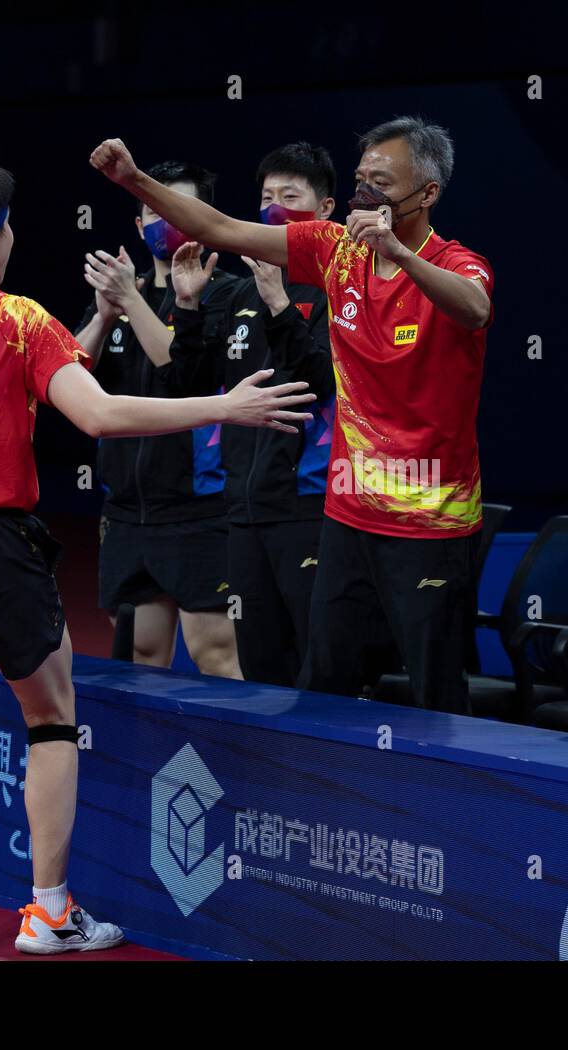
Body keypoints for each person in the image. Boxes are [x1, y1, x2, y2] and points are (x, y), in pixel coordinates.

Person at [0, 151, 313, 951]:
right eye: (6, 224)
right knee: (49, 717)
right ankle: (49, 912)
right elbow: (102, 416)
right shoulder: (15, 318)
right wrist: (229, 403)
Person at [91, 117, 493, 714]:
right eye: (361, 179)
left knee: (435, 687)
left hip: (431, 518)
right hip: (348, 512)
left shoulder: (460, 264)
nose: (366, 194)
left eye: (381, 182)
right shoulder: (333, 249)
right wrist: (133, 180)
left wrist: (399, 254)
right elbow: (221, 227)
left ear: (427, 193)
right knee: (323, 676)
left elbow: (475, 310)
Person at [164, 142, 337, 686]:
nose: (275, 209)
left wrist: (281, 303)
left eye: (291, 196)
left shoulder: (340, 291)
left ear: (326, 210)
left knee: (318, 660)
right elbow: (189, 389)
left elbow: (319, 384)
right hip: (241, 509)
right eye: (267, 198)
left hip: (308, 506)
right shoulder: (235, 294)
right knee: (260, 664)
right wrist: (188, 309)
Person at [73, 161, 242, 676]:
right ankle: (146, 759)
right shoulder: (120, 296)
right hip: (126, 510)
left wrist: (130, 300)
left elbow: (179, 372)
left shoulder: (227, 295)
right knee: (140, 655)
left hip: (198, 509)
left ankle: (235, 758)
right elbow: (71, 374)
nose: (159, 221)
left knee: (215, 651)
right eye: (150, 211)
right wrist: (104, 316)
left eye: (171, 210)